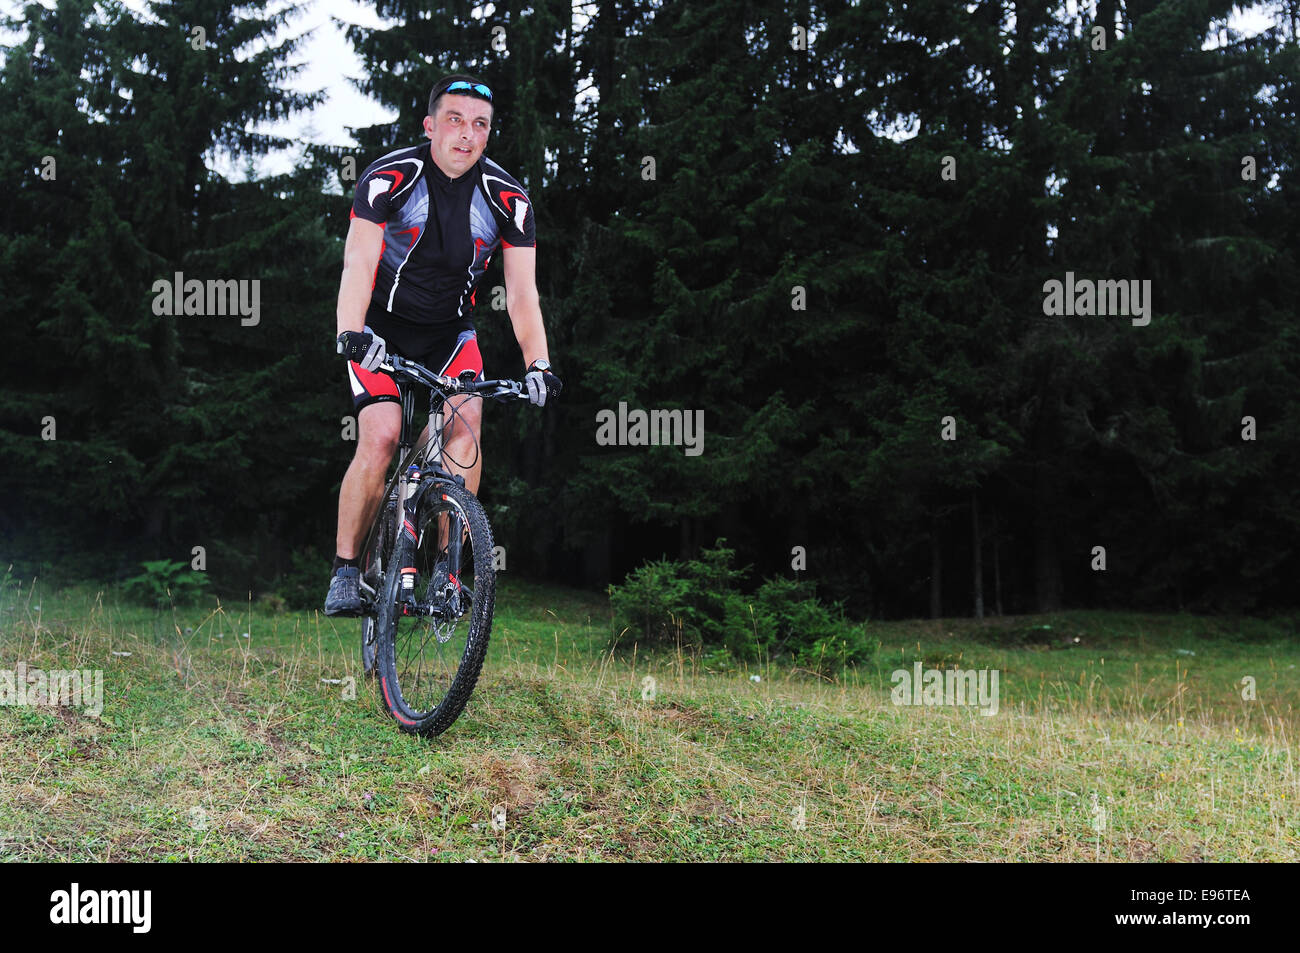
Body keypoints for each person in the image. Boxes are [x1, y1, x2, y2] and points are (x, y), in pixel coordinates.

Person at [324, 74, 561, 616]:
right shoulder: (391, 177)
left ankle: (449, 571)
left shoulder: (508, 199)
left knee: (465, 431)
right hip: (379, 329)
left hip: (450, 336)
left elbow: (522, 293)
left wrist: (538, 364)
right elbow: (359, 261)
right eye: (455, 120)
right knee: (381, 437)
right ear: (430, 126)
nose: (467, 134)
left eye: (480, 125)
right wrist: (351, 331)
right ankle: (344, 570)